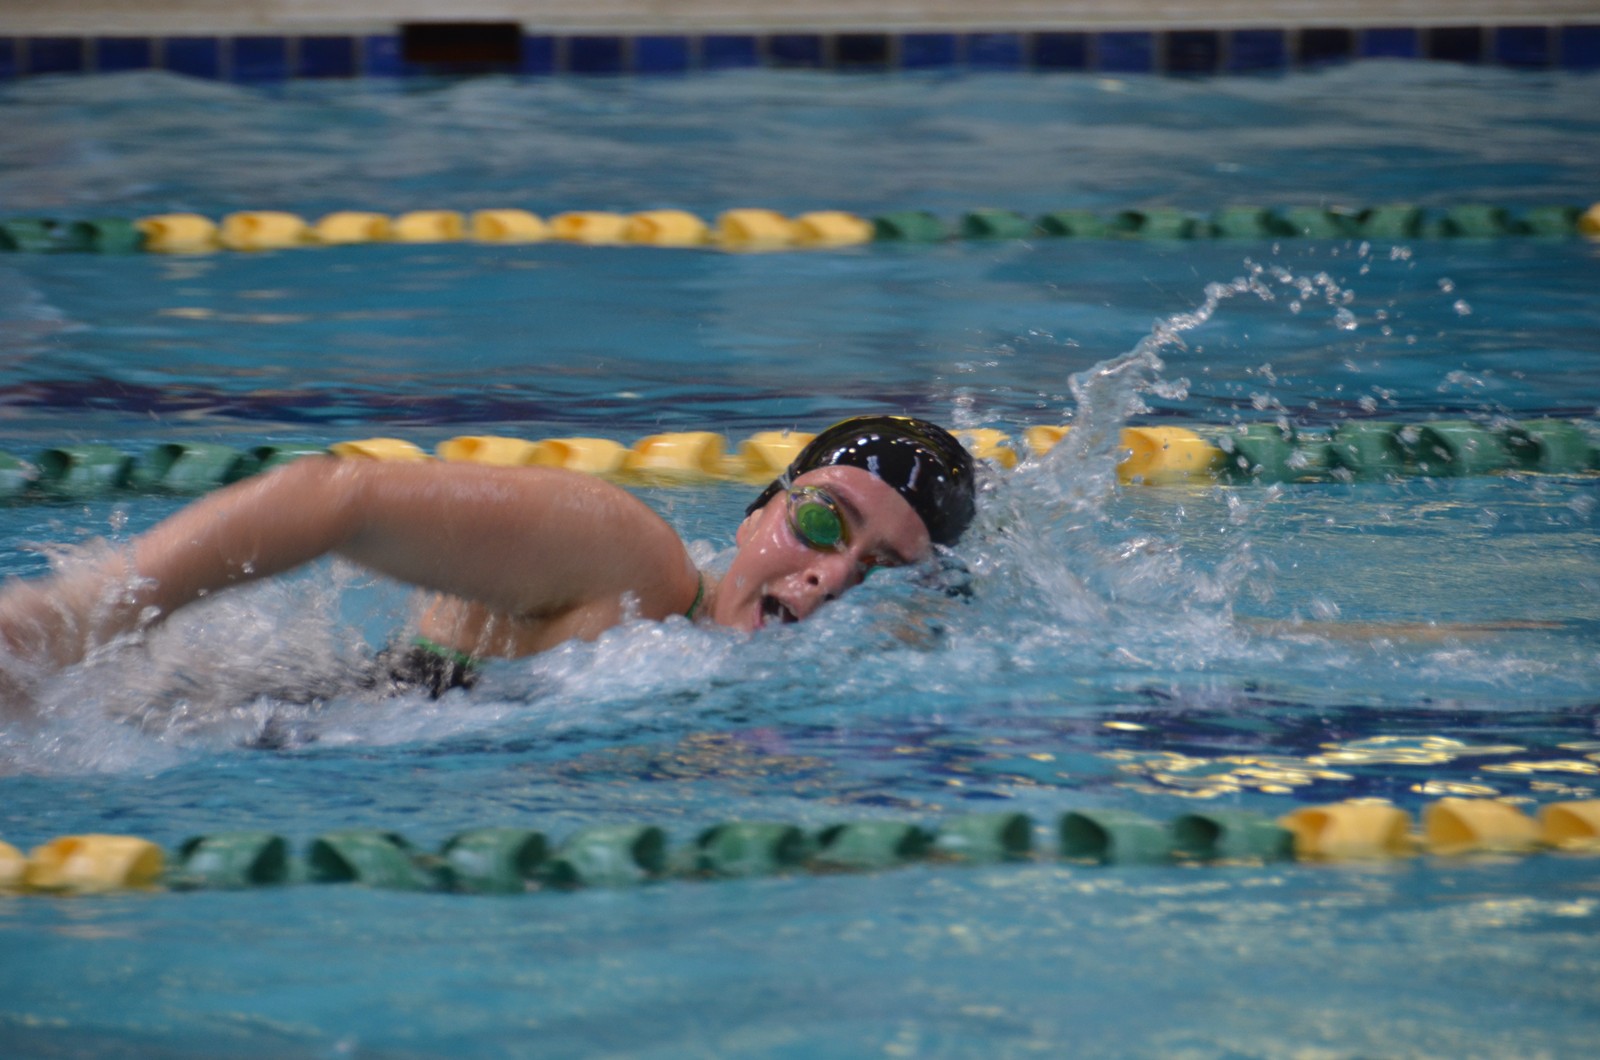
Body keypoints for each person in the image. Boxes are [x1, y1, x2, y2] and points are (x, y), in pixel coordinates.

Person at [0, 415, 977, 709]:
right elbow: (334, 494)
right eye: (821, 525)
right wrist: (74, 616)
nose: (834, 575)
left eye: (881, 568)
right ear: (763, 504)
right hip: (234, 727)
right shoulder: (628, 564)